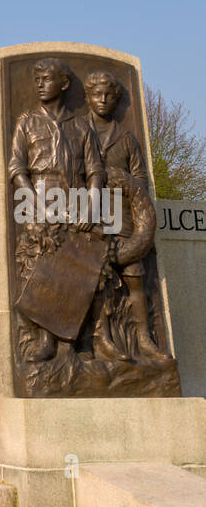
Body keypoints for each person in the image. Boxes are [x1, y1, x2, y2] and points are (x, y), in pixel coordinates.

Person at [8, 57, 104, 361]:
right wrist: (33, 203)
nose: (39, 84)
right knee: (42, 272)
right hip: (39, 197)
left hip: (75, 200)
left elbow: (95, 171)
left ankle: (79, 342)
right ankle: (45, 341)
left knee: (76, 272)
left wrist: (91, 206)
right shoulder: (27, 121)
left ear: (63, 83)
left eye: (46, 78)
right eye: (36, 79)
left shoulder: (82, 126)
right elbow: (16, 167)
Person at [83, 69, 164, 359]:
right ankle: (100, 337)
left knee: (135, 276)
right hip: (90, 212)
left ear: (116, 100)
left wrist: (124, 181)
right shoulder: (80, 131)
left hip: (124, 216)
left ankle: (144, 339)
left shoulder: (126, 139)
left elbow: (140, 179)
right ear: (88, 97)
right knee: (95, 277)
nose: (102, 100)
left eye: (108, 95)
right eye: (96, 94)